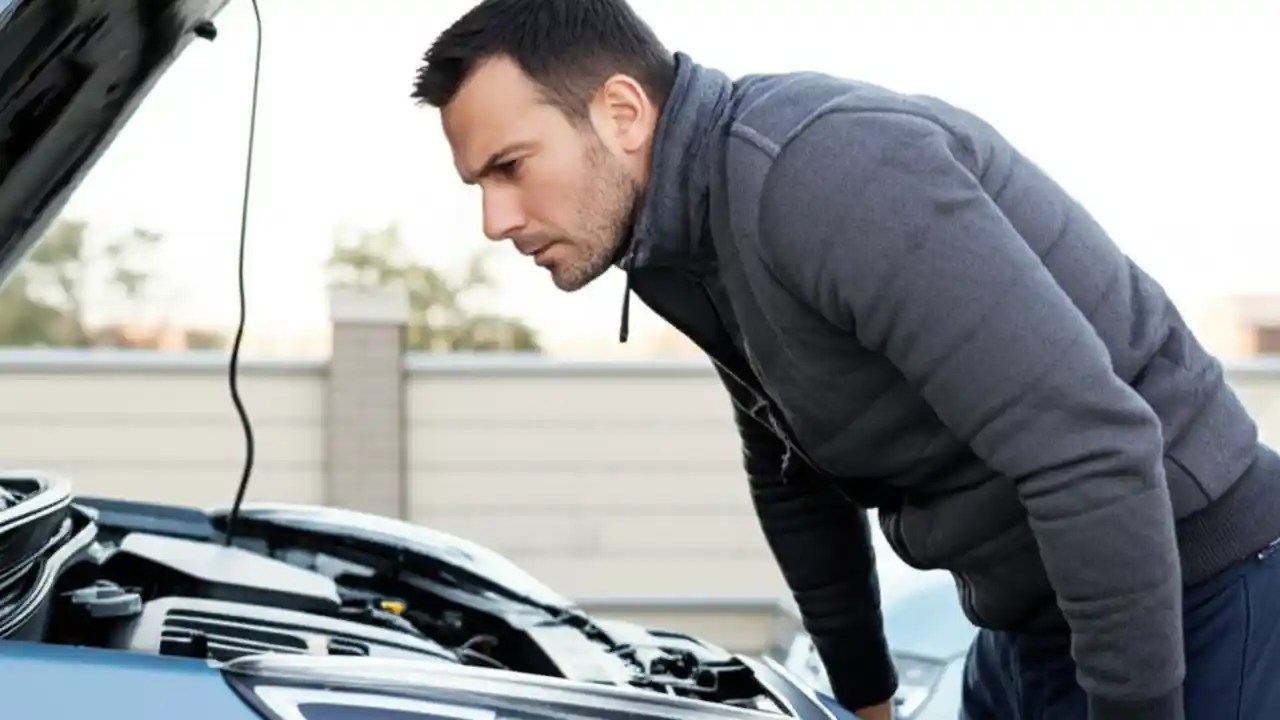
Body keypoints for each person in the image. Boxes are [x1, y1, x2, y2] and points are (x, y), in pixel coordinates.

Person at [409, 1, 1280, 718]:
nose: (496, 220)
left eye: (512, 167)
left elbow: (1090, 447)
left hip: (1196, 600)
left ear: (623, 111)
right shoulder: (691, 233)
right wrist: (865, 697)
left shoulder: (819, 172)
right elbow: (792, 471)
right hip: (1030, 629)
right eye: (479, 185)